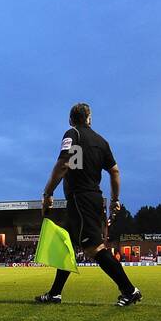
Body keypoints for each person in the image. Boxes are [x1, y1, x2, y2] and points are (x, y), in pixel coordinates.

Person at [35, 102, 141, 307]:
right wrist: (115, 200)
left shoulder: (72, 134)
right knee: (65, 244)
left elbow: (64, 163)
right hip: (92, 199)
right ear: (89, 118)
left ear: (70, 119)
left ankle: (130, 290)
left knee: (94, 249)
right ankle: (55, 293)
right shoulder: (101, 142)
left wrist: (48, 193)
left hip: (80, 200)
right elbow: (115, 172)